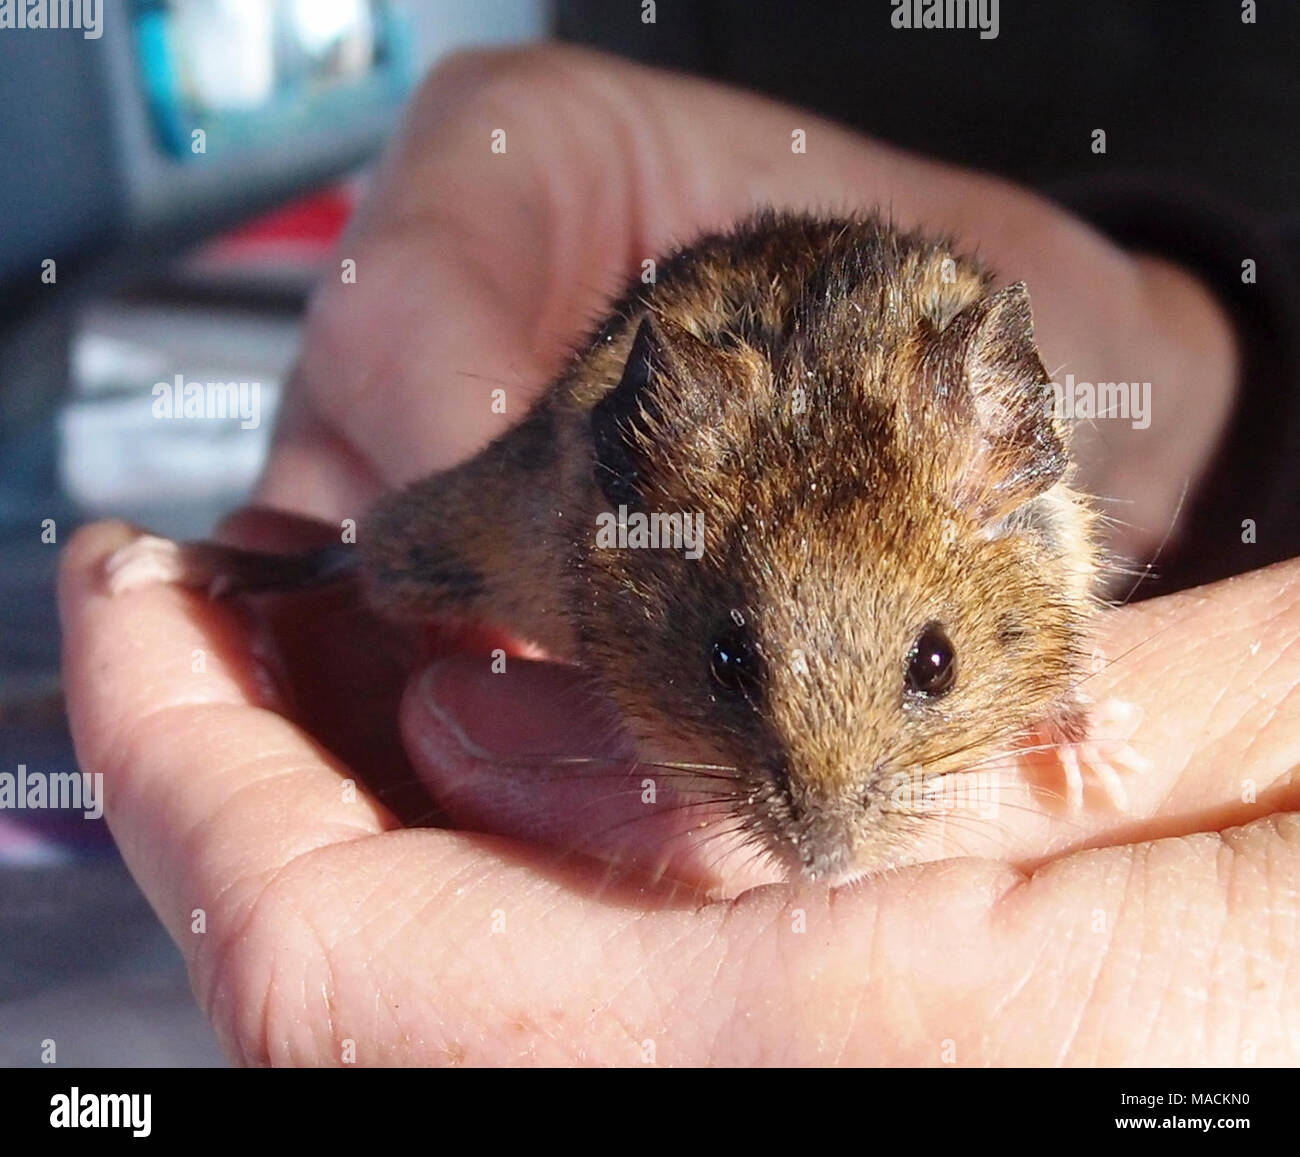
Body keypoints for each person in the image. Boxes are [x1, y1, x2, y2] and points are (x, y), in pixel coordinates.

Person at [59, 46, 1299, 1064]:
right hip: (674, 406)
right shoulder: (651, 517)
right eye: (730, 661)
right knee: (423, 546)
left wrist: (1065, 693)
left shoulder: (989, 479)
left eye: (928, 667)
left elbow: (1050, 556)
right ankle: (273, 572)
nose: (825, 828)